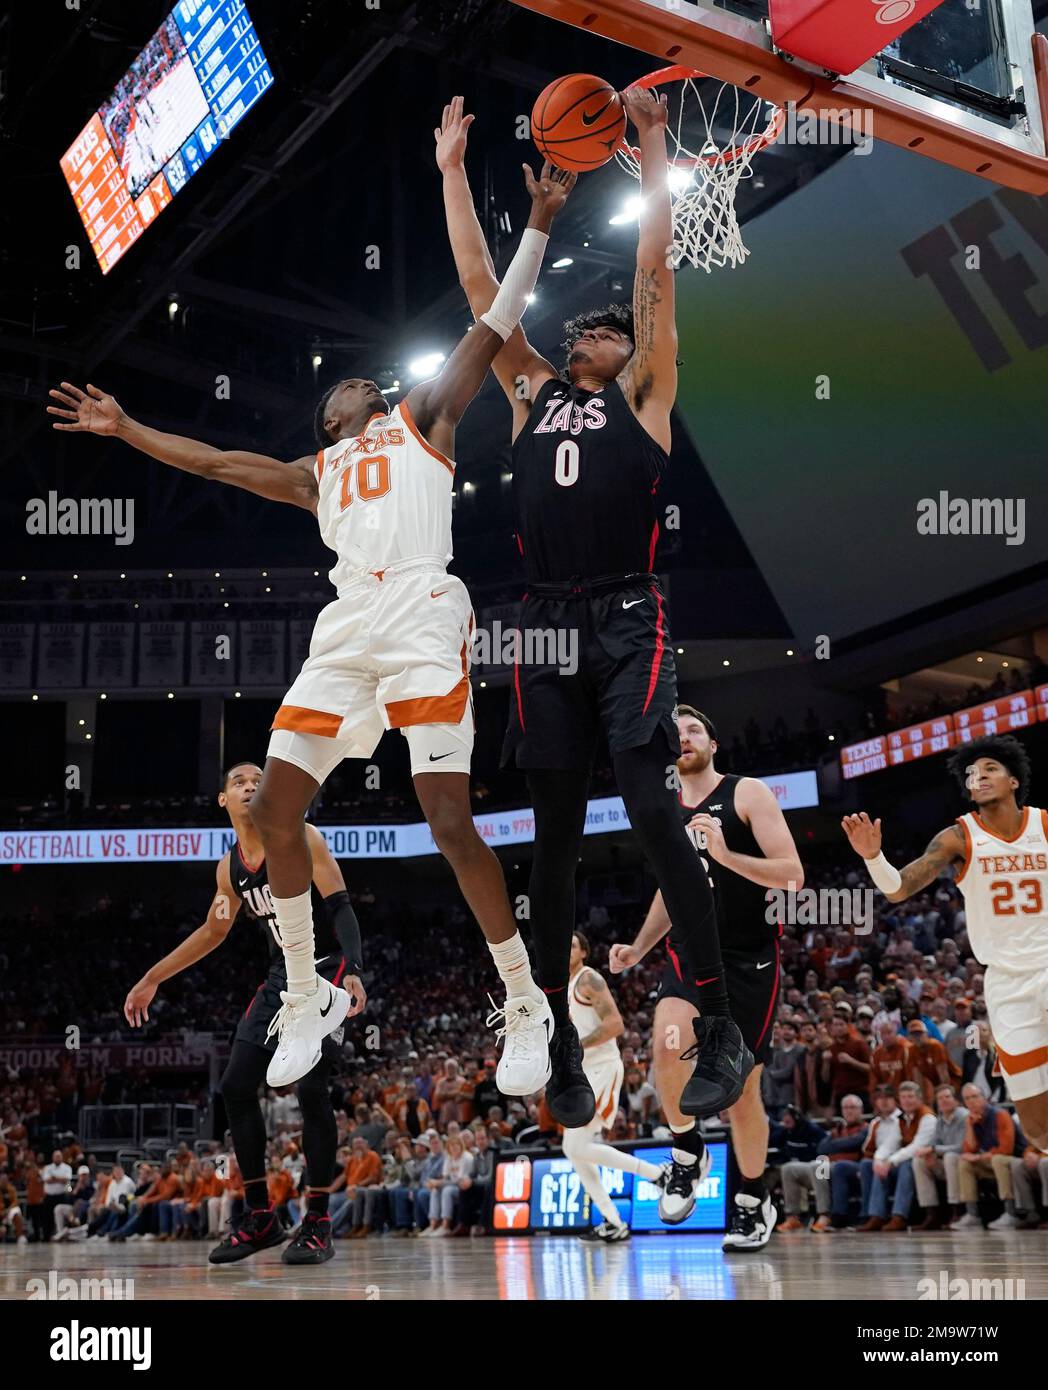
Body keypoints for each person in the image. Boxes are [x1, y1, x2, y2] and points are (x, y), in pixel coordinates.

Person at [48, 154, 577, 1108]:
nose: (330, 395)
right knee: (272, 816)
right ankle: (303, 995)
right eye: (324, 397)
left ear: (369, 397)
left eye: (342, 387)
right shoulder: (312, 472)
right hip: (346, 629)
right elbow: (210, 462)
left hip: (420, 608)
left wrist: (535, 217)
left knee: (448, 820)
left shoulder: (423, 416)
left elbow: (493, 322)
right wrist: (126, 429)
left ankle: (525, 999)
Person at [439, 93, 752, 1126]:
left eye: (609, 327)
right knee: (555, 836)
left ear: (632, 349)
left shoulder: (647, 391)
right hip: (541, 620)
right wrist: (454, 169)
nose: (596, 329)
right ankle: (562, 1048)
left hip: (628, 610)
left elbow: (653, 264)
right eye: (587, 327)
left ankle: (721, 1025)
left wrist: (655, 142)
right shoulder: (528, 389)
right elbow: (486, 289)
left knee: (653, 804)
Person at [123, 760, 365, 1268]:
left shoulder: (303, 836)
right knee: (235, 1085)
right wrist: (153, 977)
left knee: (311, 1090)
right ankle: (261, 1216)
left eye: (259, 779)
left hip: (326, 968)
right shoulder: (229, 868)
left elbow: (341, 906)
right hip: (280, 975)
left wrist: (355, 970)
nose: (251, 785)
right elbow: (213, 932)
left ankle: (318, 1220)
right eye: (239, 781)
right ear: (223, 800)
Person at [611, 707, 802, 1248]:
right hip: (690, 954)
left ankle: (750, 1198)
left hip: (749, 959)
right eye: (676, 731)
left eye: (694, 729)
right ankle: (686, 1152)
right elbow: (670, 890)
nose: (684, 737)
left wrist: (723, 852)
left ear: (713, 743)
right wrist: (639, 946)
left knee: (742, 1093)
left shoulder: (748, 794)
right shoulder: (664, 809)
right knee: (666, 1041)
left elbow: (793, 874)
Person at [843, 734, 1048, 1154]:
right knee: (1037, 1126)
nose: (980, 776)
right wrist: (873, 858)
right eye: (973, 773)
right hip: (1007, 984)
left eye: (991, 768)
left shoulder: (1044, 824)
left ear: (1013, 780)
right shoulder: (959, 837)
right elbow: (899, 889)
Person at [553, 932, 668, 1244]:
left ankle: (658, 1175)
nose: (566, 950)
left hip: (602, 1068)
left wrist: (577, 1045)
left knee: (575, 1148)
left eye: (572, 945)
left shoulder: (588, 979)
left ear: (584, 952)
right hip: (583, 1071)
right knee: (573, 1150)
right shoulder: (559, 989)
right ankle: (613, 1221)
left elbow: (615, 1024)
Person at [856, 1080, 936, 1232]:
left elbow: (916, 1146)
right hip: (905, 1158)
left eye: (910, 1097)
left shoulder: (927, 1117)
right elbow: (890, 1143)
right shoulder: (902, 1119)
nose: (907, 1100)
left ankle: (899, 1216)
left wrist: (890, 1161)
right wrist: (879, 1160)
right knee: (877, 1167)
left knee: (906, 1166)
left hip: (923, 1160)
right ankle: (876, 1215)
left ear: (919, 1099)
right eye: (904, 1097)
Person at [779, 1094, 866, 1232]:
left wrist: (835, 1144)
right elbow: (822, 1148)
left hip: (847, 1168)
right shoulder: (837, 1129)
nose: (849, 1111)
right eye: (846, 1107)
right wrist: (842, 1144)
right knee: (789, 1169)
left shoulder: (865, 1128)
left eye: (853, 1107)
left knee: (818, 1164)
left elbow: (855, 1143)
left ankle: (824, 1215)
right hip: (826, 1167)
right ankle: (793, 1217)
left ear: (861, 1110)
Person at [911, 1084, 968, 1230]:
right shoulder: (941, 1120)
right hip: (948, 1164)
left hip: (964, 1162)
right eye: (940, 1098)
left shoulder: (964, 1116)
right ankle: (931, 1213)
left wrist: (934, 1150)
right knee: (919, 1161)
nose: (943, 1101)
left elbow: (962, 1147)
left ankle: (958, 1211)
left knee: (950, 1157)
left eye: (947, 1097)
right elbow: (932, 1143)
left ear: (956, 1100)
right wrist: (929, 1152)